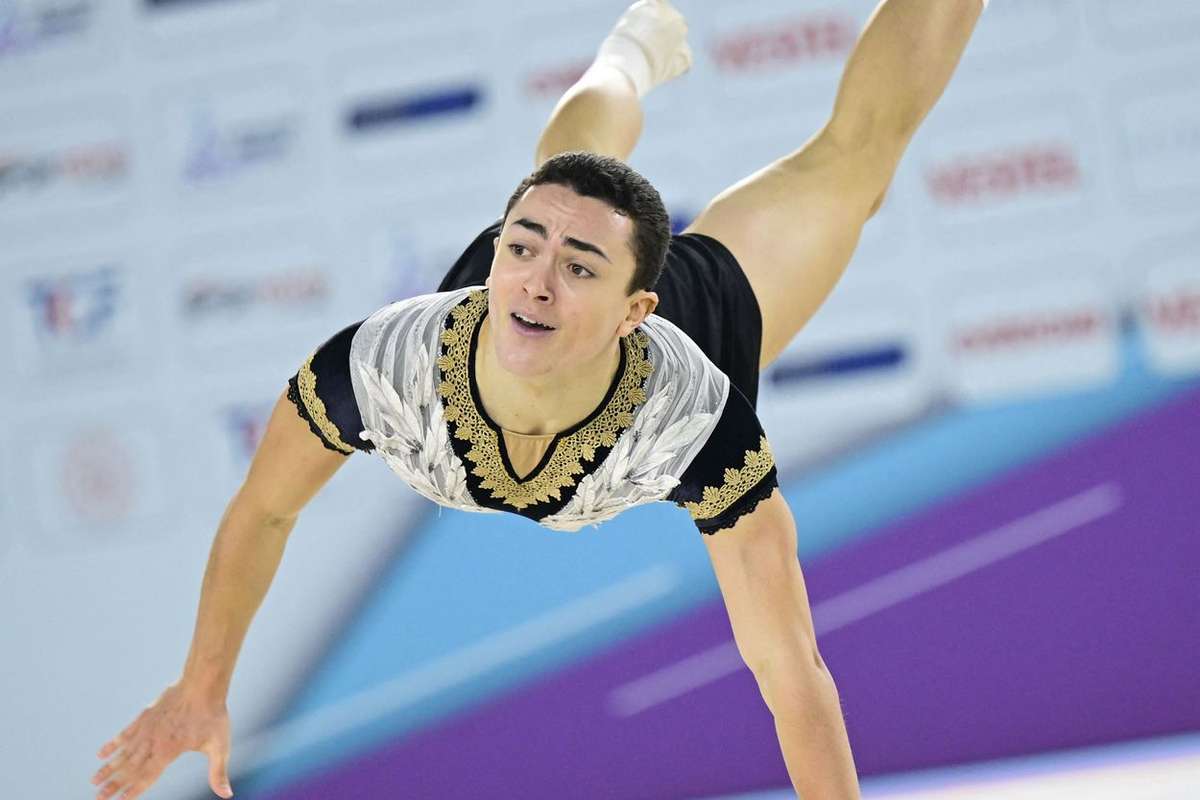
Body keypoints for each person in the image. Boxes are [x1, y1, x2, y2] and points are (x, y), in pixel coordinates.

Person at [92, 1, 985, 797]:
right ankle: (629, 54)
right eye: (518, 249)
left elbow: (787, 665)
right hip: (538, 309)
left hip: (693, 328)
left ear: (641, 309)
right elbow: (264, 512)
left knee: (857, 163)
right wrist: (200, 689)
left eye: (577, 269)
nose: (536, 285)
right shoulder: (378, 369)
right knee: (574, 177)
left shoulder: (695, 417)